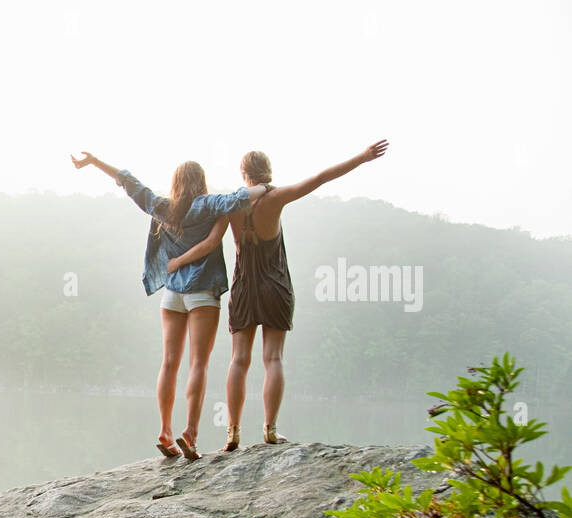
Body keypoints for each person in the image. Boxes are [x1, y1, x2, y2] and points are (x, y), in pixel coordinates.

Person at [165, 140, 389, 450]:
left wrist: (176, 260)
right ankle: (270, 429)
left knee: (238, 360)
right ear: (267, 172)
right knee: (273, 358)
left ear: (244, 174)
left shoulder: (232, 204)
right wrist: (362, 158)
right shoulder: (277, 197)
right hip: (275, 285)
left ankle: (232, 431)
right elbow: (321, 177)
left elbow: (211, 241)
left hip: (244, 287)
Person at [72, 151, 265, 460]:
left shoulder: (163, 207)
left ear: (175, 182)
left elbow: (128, 181)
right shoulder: (209, 205)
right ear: (200, 182)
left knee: (169, 363)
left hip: (171, 293)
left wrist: (93, 161)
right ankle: (189, 433)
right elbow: (242, 197)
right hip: (202, 292)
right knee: (197, 364)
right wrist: (266, 187)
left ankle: (164, 430)